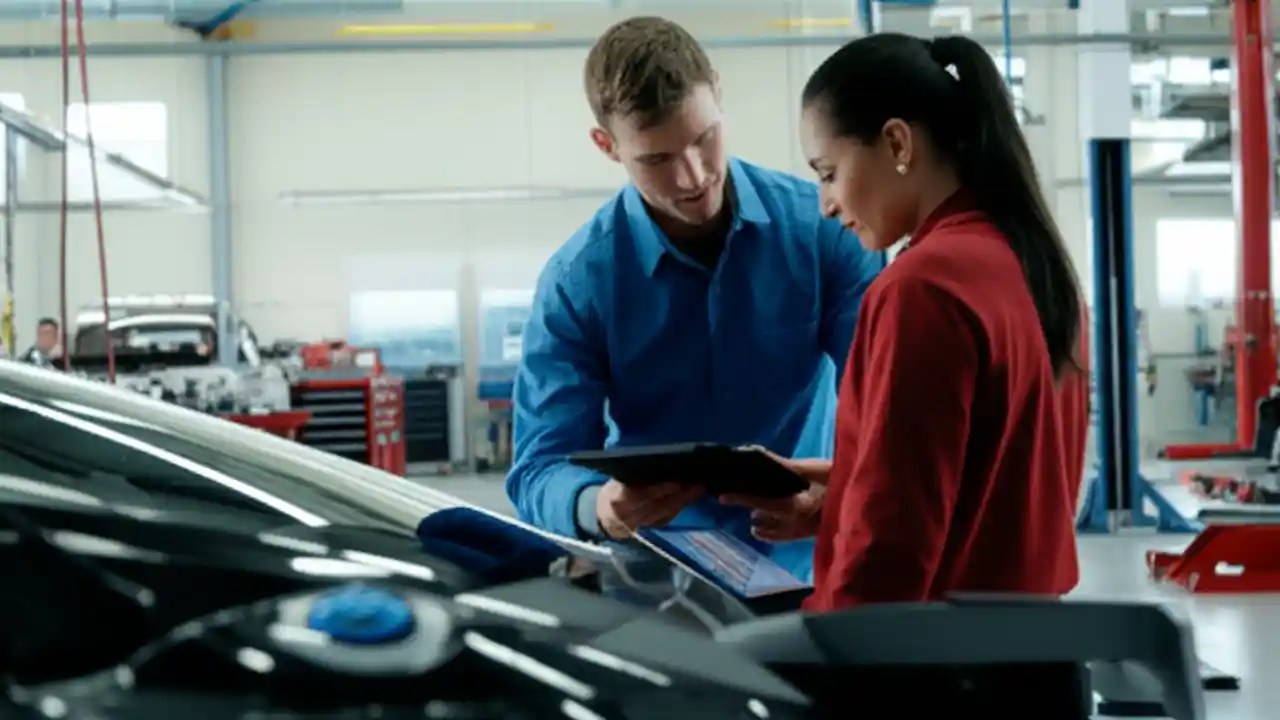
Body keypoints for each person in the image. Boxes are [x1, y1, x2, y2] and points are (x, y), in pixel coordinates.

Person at [506, 16, 885, 581]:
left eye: (704, 138)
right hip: (655, 579)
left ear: (719, 99)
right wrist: (599, 508)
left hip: (808, 564)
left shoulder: (823, 230)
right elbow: (539, 467)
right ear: (606, 146)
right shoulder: (576, 283)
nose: (693, 176)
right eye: (656, 159)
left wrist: (848, 487)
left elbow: (888, 399)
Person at [724, 33, 1090, 610]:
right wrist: (846, 491)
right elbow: (995, 487)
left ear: (896, 141)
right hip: (1032, 659)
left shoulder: (921, 287)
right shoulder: (1030, 266)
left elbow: (890, 548)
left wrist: (827, 655)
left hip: (937, 670)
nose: (825, 204)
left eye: (828, 171)